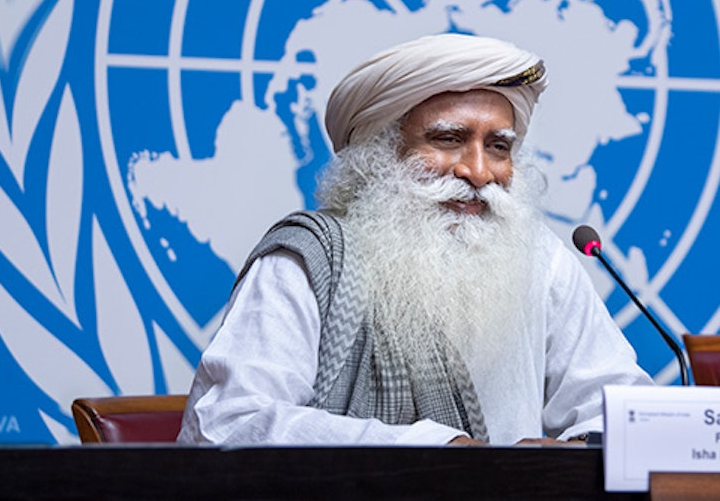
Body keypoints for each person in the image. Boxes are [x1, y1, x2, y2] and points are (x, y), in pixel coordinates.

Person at [178, 33, 652, 446]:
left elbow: (626, 411)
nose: (478, 171)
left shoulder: (539, 260)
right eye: (448, 140)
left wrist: (583, 448)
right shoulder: (307, 265)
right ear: (378, 155)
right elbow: (227, 425)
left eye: (498, 147)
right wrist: (434, 451)